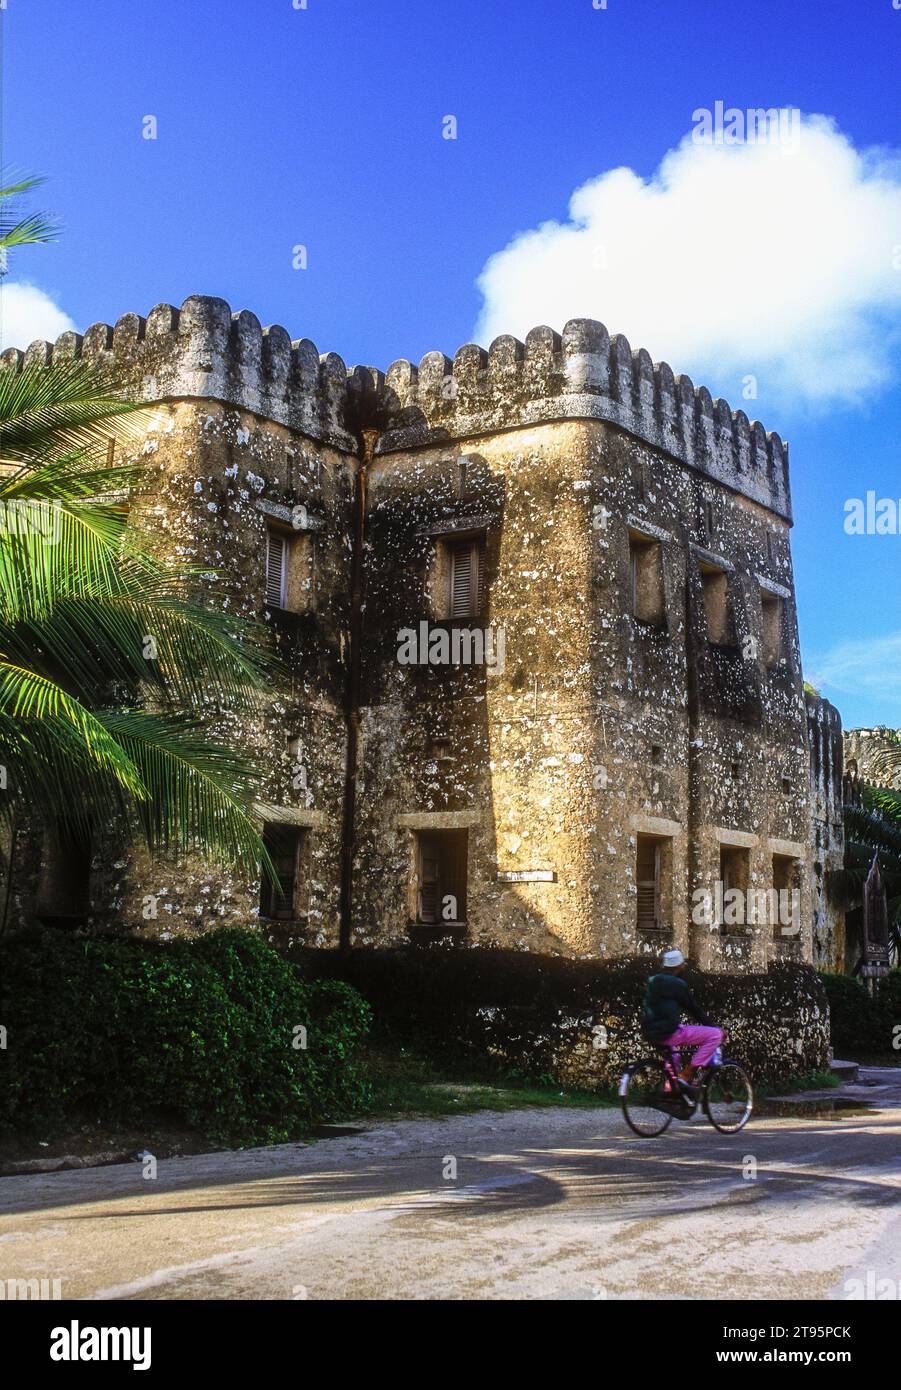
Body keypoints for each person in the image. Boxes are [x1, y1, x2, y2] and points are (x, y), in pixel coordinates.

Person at [642, 949, 723, 1102]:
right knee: (714, 1035)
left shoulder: (653, 981)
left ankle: (672, 1092)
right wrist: (713, 1026)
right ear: (679, 967)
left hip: (650, 1031)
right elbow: (693, 1009)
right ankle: (688, 1072)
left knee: (674, 1056)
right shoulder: (678, 984)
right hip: (669, 1032)